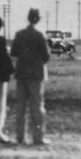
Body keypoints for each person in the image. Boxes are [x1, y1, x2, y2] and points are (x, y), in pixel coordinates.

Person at [10, 8, 51, 145]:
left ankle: (20, 137)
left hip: (21, 73)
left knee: (20, 106)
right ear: (37, 19)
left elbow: (14, 52)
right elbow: (46, 57)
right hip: (35, 75)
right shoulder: (40, 36)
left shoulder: (19, 34)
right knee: (37, 106)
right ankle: (38, 137)